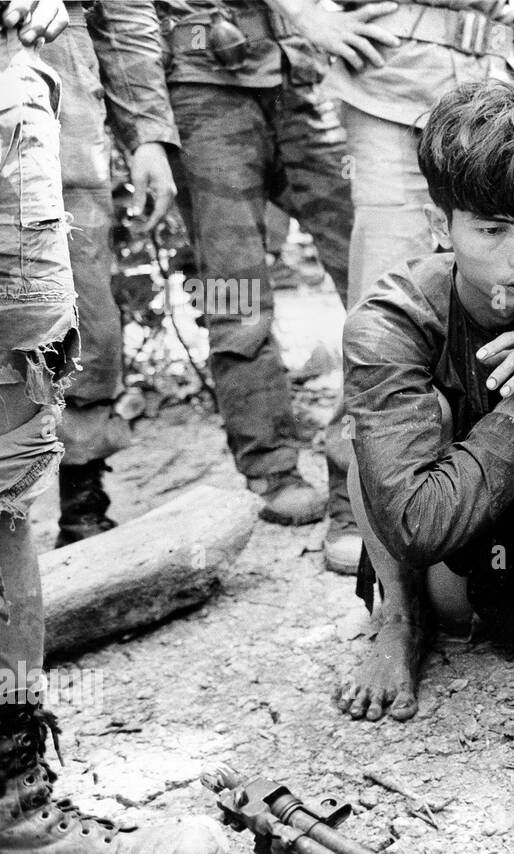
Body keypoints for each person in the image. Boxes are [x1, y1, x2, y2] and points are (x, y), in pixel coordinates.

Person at [0, 0, 225, 854]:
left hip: (45, 110)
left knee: (34, 396)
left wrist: (150, 134)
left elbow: (127, 12)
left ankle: (15, 806)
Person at [336, 78, 514, 722]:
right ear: (439, 227)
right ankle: (400, 623)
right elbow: (416, 525)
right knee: (382, 432)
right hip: (439, 572)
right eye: (493, 230)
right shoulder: (388, 322)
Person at [268, 0, 514, 575]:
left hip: (489, 82)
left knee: (508, 279)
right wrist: (308, 14)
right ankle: (351, 499)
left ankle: (471, 497)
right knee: (384, 301)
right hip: (392, 86)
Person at [156, 0, 354, 531]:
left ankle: (374, 445)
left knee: (369, 263)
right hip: (205, 88)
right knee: (233, 289)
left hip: (299, 79)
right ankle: (272, 468)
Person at [41, 0, 179, 546]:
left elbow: (123, 12)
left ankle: (82, 501)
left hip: (58, 77)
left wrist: (146, 134)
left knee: (81, 304)